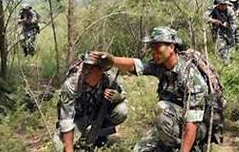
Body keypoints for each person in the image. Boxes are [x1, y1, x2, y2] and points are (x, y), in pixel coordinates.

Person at [91, 27, 224, 152]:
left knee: (162, 108)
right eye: (152, 47)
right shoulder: (161, 65)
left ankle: (181, 147)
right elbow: (135, 65)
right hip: (173, 122)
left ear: (171, 47)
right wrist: (111, 60)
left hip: (197, 128)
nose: (153, 52)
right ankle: (169, 144)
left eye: (157, 47)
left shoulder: (191, 78)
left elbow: (192, 122)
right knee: (140, 149)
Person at [54, 53, 128, 152]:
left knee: (121, 110)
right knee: (59, 146)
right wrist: (69, 149)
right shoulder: (72, 84)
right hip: (77, 119)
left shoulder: (108, 78)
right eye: (85, 67)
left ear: (101, 70)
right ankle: (87, 135)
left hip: (97, 114)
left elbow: (122, 93)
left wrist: (117, 97)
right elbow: (66, 120)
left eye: (91, 68)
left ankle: (101, 136)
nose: (86, 71)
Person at [203, 0, 237, 64]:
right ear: (218, 4)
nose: (224, 6)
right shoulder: (213, 9)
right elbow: (205, 18)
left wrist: (228, 26)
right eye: (222, 4)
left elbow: (234, 24)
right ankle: (226, 64)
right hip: (219, 31)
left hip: (229, 32)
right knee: (221, 50)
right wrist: (214, 21)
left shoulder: (230, 11)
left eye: (225, 4)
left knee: (231, 50)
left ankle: (231, 64)